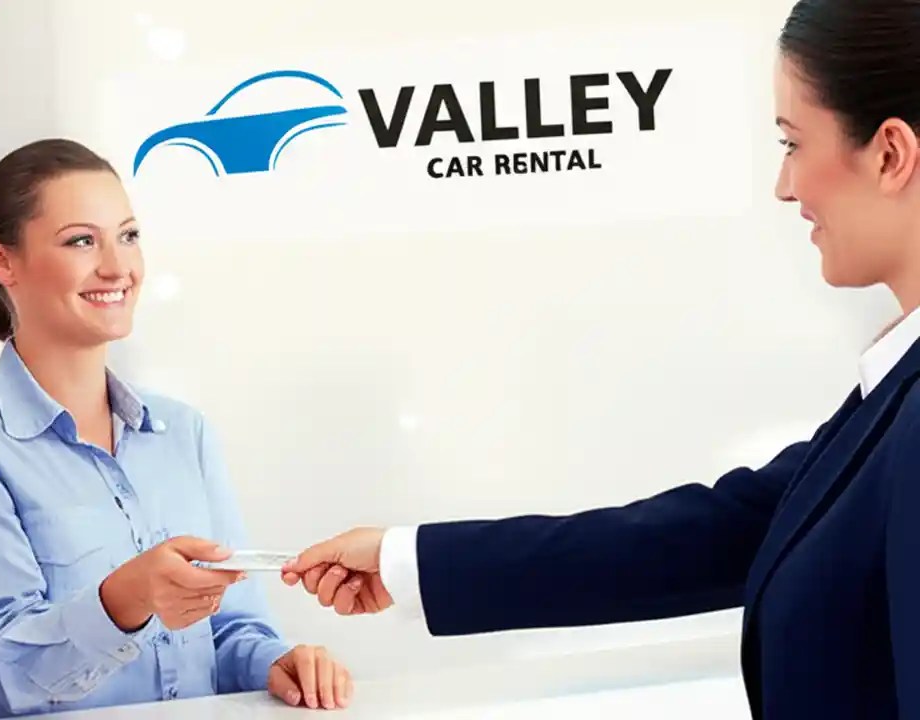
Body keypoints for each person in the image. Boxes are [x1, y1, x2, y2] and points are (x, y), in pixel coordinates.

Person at [281, 0, 920, 718]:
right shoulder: (893, 391)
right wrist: (410, 563)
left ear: (891, 154)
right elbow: (711, 535)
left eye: (792, 143)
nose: (784, 185)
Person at [0, 138, 352, 719]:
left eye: (128, 235)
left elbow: (230, 628)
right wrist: (127, 597)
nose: (117, 267)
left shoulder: (182, 432)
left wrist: (273, 661)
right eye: (81, 241)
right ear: (2, 260)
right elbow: (4, 666)